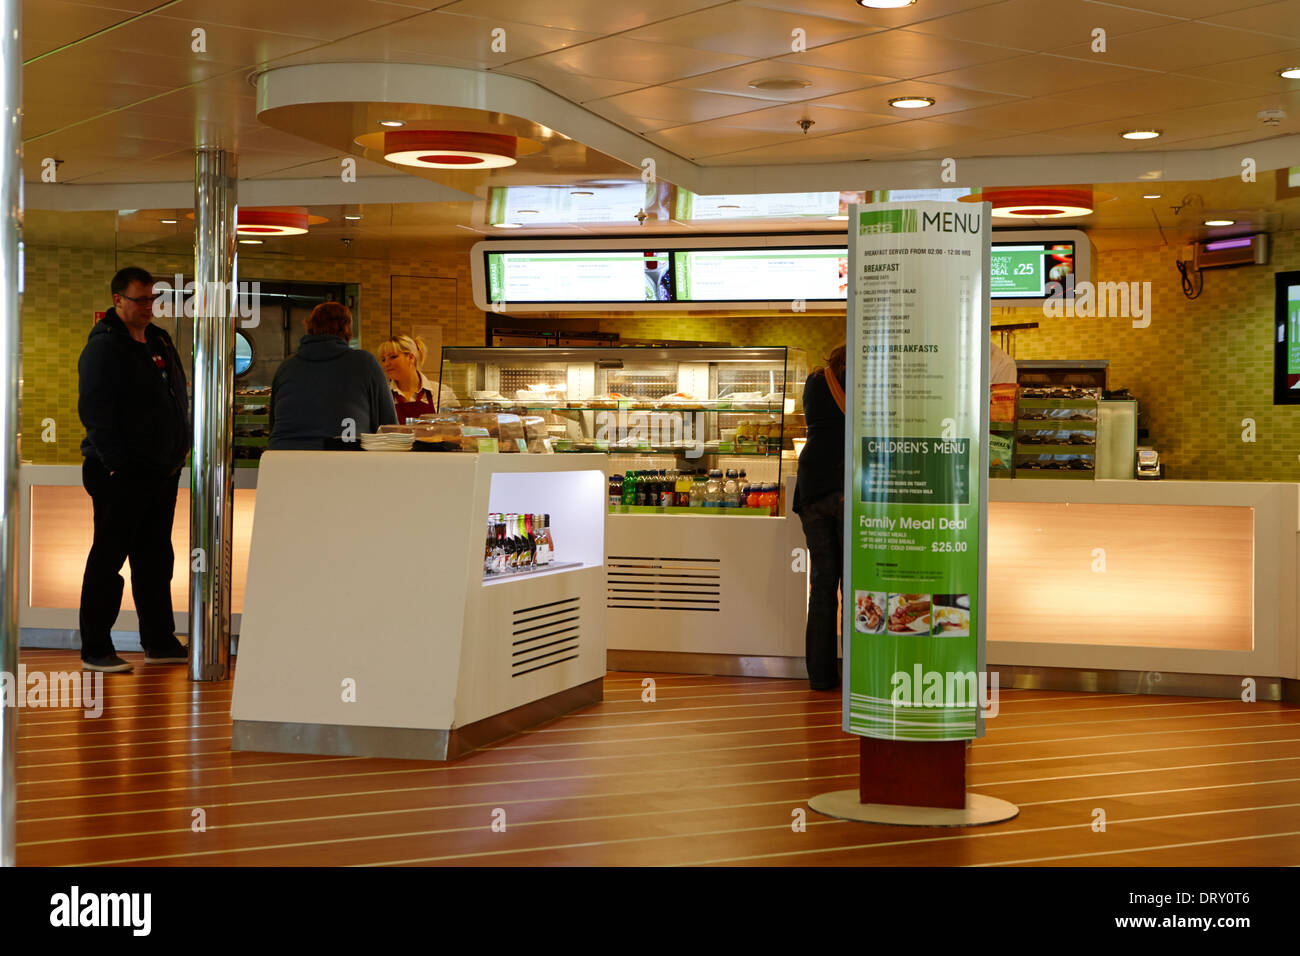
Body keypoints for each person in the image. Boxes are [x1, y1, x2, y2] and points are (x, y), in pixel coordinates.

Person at [77, 267, 191, 673]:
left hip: (162, 471)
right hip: (121, 472)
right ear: (117, 300)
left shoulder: (159, 340)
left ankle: (159, 640)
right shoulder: (105, 347)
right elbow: (94, 411)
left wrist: (179, 450)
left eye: (152, 299)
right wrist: (117, 464)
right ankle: (96, 647)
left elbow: (176, 394)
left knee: (156, 558)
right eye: (140, 300)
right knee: (109, 559)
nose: (148, 307)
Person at [269, 302, 397, 449]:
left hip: (282, 460)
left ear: (310, 328)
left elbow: (273, 424)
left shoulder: (286, 367)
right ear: (348, 330)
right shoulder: (364, 363)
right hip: (344, 461)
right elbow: (389, 428)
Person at [792, 343, 846, 692]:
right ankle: (860, 672)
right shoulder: (865, 384)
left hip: (811, 489)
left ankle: (821, 677)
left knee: (822, 585)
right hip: (844, 487)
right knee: (854, 583)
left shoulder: (814, 382)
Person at [378, 334, 443, 420]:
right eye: (383, 359)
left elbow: (454, 429)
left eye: (393, 357)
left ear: (411, 358)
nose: (386, 364)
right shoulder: (381, 395)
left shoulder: (441, 392)